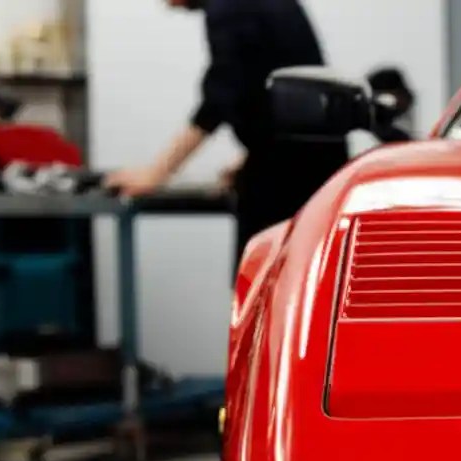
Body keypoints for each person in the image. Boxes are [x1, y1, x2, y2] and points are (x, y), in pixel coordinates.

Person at [105, 0, 349, 275]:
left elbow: (219, 97)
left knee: (261, 286)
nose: (166, 5)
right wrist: (255, 155)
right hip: (316, 163)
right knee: (311, 282)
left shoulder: (229, 9)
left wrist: (156, 173)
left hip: (290, 176)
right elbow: (272, 86)